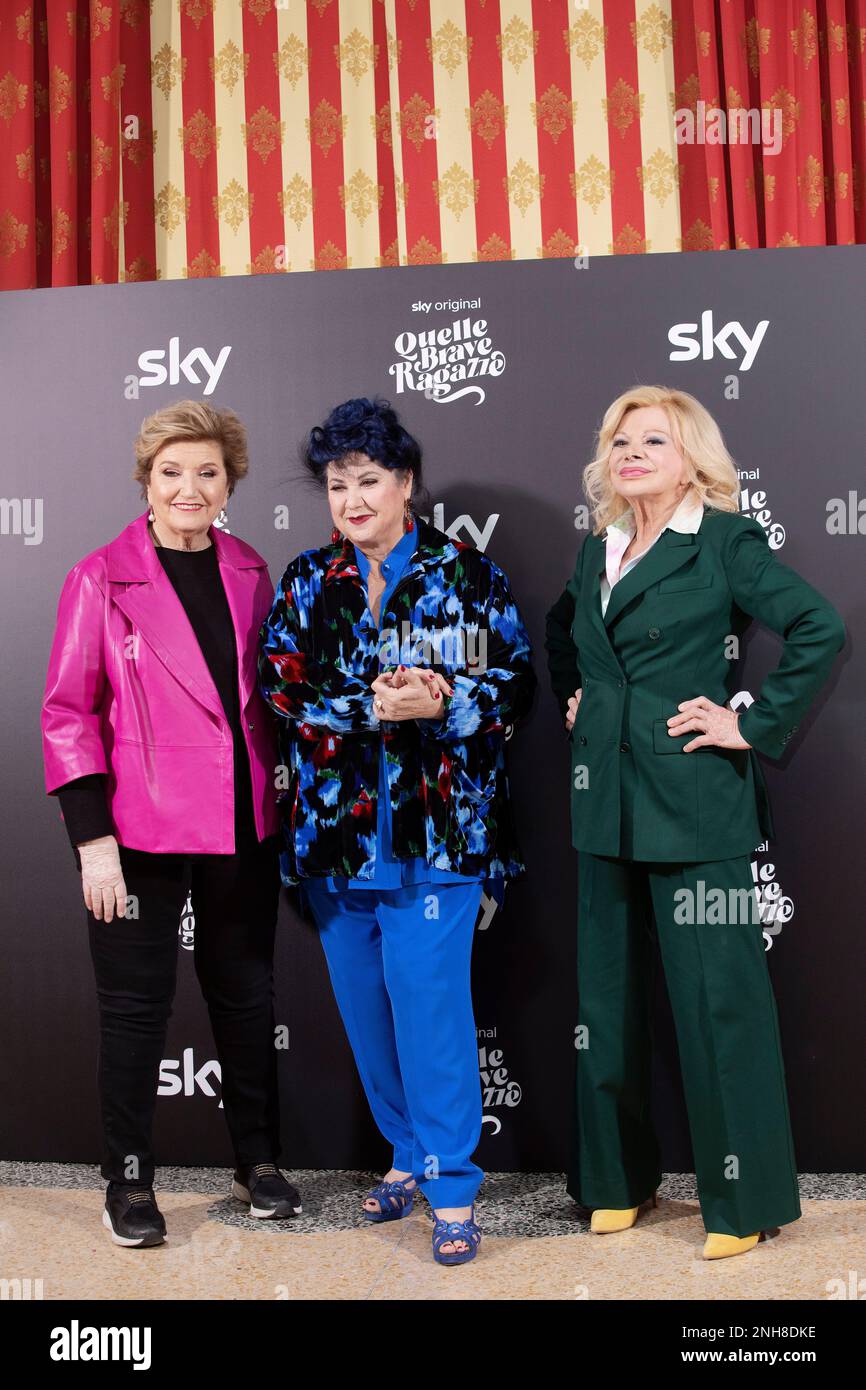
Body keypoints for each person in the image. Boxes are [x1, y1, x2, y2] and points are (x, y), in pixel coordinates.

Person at [545, 385, 845, 1260]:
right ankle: (614, 1182)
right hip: (604, 805)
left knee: (719, 1008)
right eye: (621, 440)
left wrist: (748, 723)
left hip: (697, 810)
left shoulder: (724, 540)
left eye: (654, 441)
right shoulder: (596, 547)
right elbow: (565, 630)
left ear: (692, 460)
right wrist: (583, 701)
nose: (632, 452)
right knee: (605, 1005)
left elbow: (817, 628)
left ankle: (742, 1200)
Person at [258, 396, 536, 1265]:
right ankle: (408, 1154)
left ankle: (454, 1186)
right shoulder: (308, 579)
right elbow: (280, 686)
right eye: (338, 484)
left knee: (432, 1015)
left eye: (368, 480)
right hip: (337, 846)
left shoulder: (467, 574)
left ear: (405, 482)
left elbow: (514, 685)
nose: (352, 499)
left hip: (440, 839)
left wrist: (445, 700)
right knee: (370, 1020)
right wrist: (376, 706)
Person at [41, 399, 299, 1247]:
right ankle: (128, 1180)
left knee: (247, 996)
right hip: (138, 834)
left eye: (208, 472)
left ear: (230, 484)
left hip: (243, 826)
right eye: (172, 472)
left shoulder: (253, 569)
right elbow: (70, 714)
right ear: (147, 482)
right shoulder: (98, 576)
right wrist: (93, 844)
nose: (190, 488)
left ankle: (257, 1160)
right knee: (133, 1013)